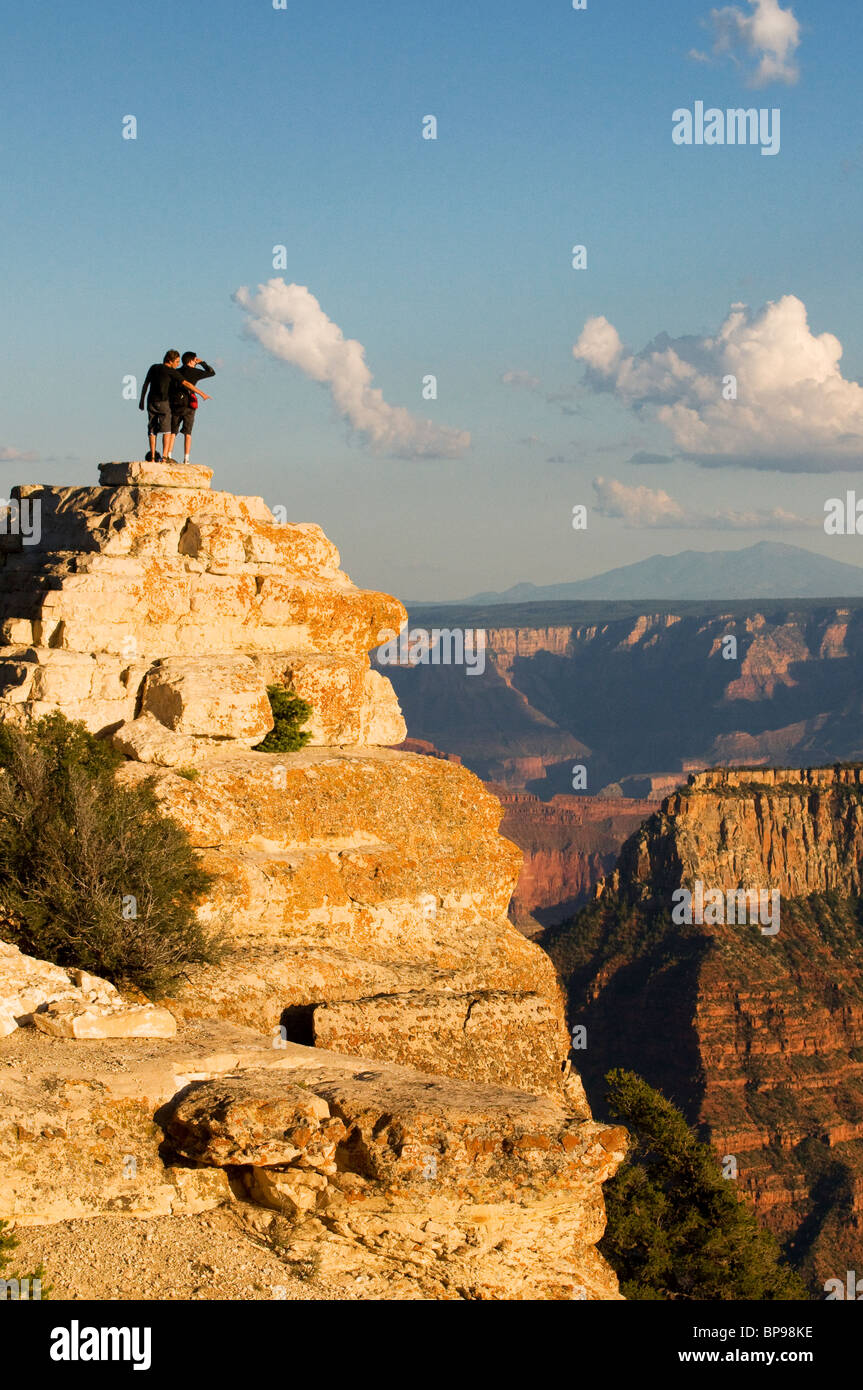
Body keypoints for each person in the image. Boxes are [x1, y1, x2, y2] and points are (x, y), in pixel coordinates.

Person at [138, 350, 210, 463]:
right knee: (167, 430)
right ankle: (165, 457)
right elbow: (187, 384)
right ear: (170, 361)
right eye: (176, 361)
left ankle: (152, 457)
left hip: (150, 402)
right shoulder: (171, 371)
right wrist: (202, 394)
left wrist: (141, 400)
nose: (178, 364)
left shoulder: (153, 368)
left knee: (152, 430)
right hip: (163, 402)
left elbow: (146, 384)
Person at [169, 352, 216, 464]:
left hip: (175, 403)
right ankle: (186, 458)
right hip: (189, 403)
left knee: (172, 430)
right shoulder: (195, 372)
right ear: (192, 360)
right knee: (188, 432)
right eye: (194, 361)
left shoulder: (176, 372)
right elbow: (212, 373)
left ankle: (168, 455)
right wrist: (202, 363)